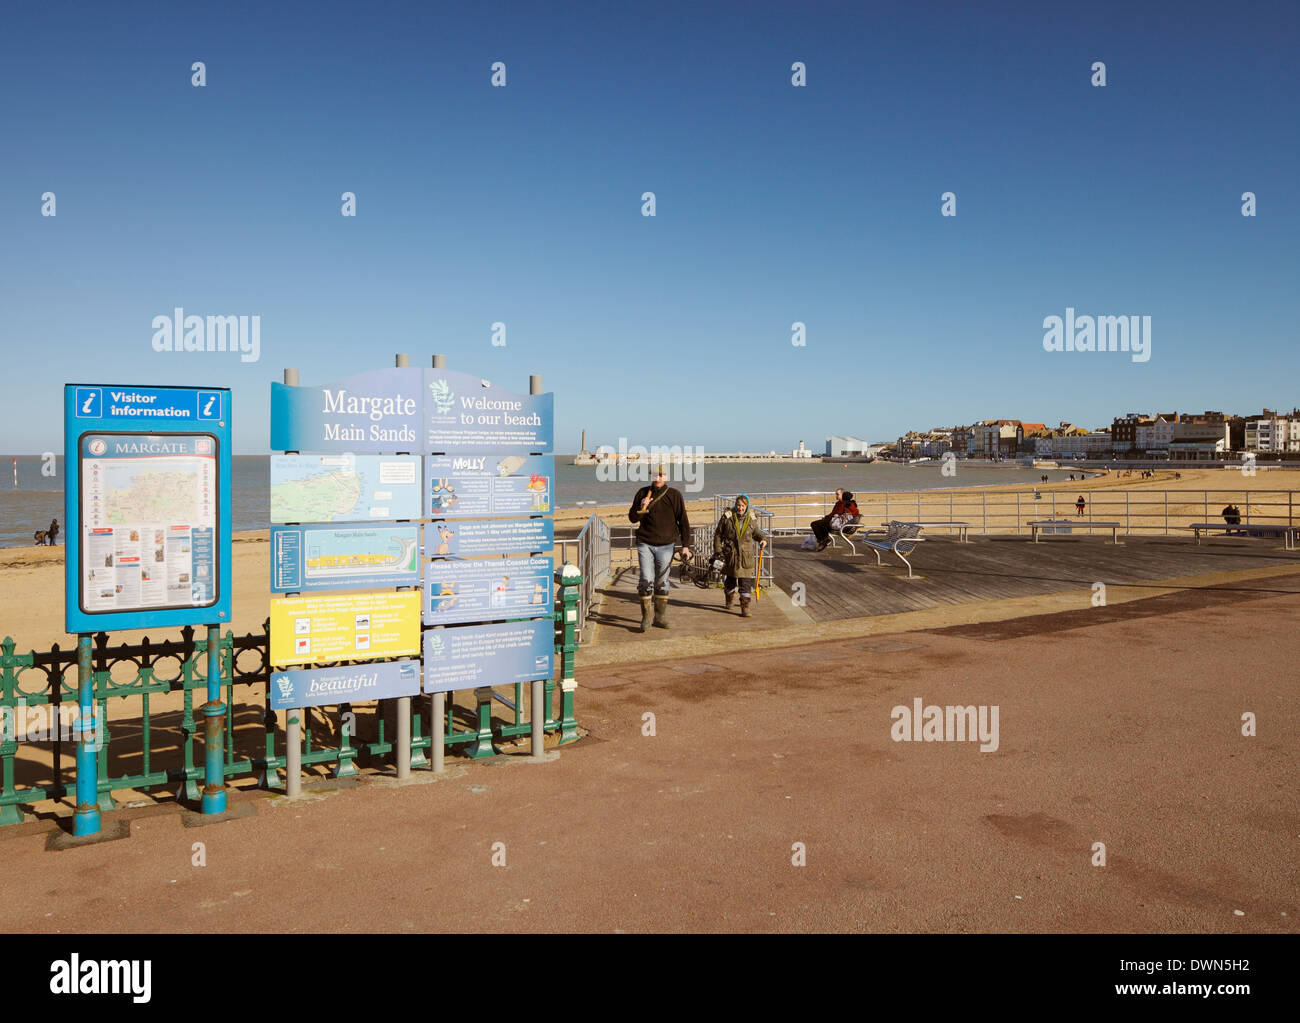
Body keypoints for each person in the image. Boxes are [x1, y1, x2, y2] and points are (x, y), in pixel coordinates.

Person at [627, 466, 691, 631]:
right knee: (646, 580)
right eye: (655, 475)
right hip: (645, 542)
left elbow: (683, 521)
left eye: (661, 475)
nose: (658, 478)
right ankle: (646, 616)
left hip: (667, 544)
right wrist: (642, 506)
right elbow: (633, 518)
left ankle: (660, 617)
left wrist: (685, 546)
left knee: (662, 582)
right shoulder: (642, 493)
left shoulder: (674, 495)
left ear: (666, 476)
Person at [714, 494, 769, 617]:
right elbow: (718, 535)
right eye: (738, 505)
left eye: (743, 506)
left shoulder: (751, 518)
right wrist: (718, 551)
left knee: (745, 584)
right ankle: (729, 600)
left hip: (746, 557)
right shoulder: (727, 517)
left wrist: (763, 539)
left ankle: (745, 608)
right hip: (731, 556)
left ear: (747, 506)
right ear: (735, 505)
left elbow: (756, 533)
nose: (740, 508)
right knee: (730, 582)